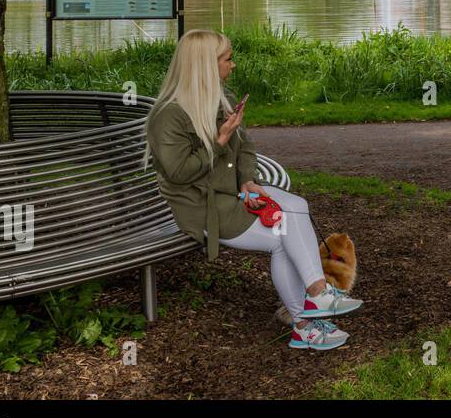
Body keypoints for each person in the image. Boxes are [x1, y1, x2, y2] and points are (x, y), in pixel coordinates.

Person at [146, 29, 363, 350]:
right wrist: (219, 141)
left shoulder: (223, 97)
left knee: (296, 205)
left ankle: (317, 296)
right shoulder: (169, 116)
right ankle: (305, 321)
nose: (232, 65)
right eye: (227, 59)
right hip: (202, 205)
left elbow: (245, 147)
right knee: (281, 240)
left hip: (234, 189)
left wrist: (248, 179)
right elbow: (179, 174)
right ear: (205, 65)